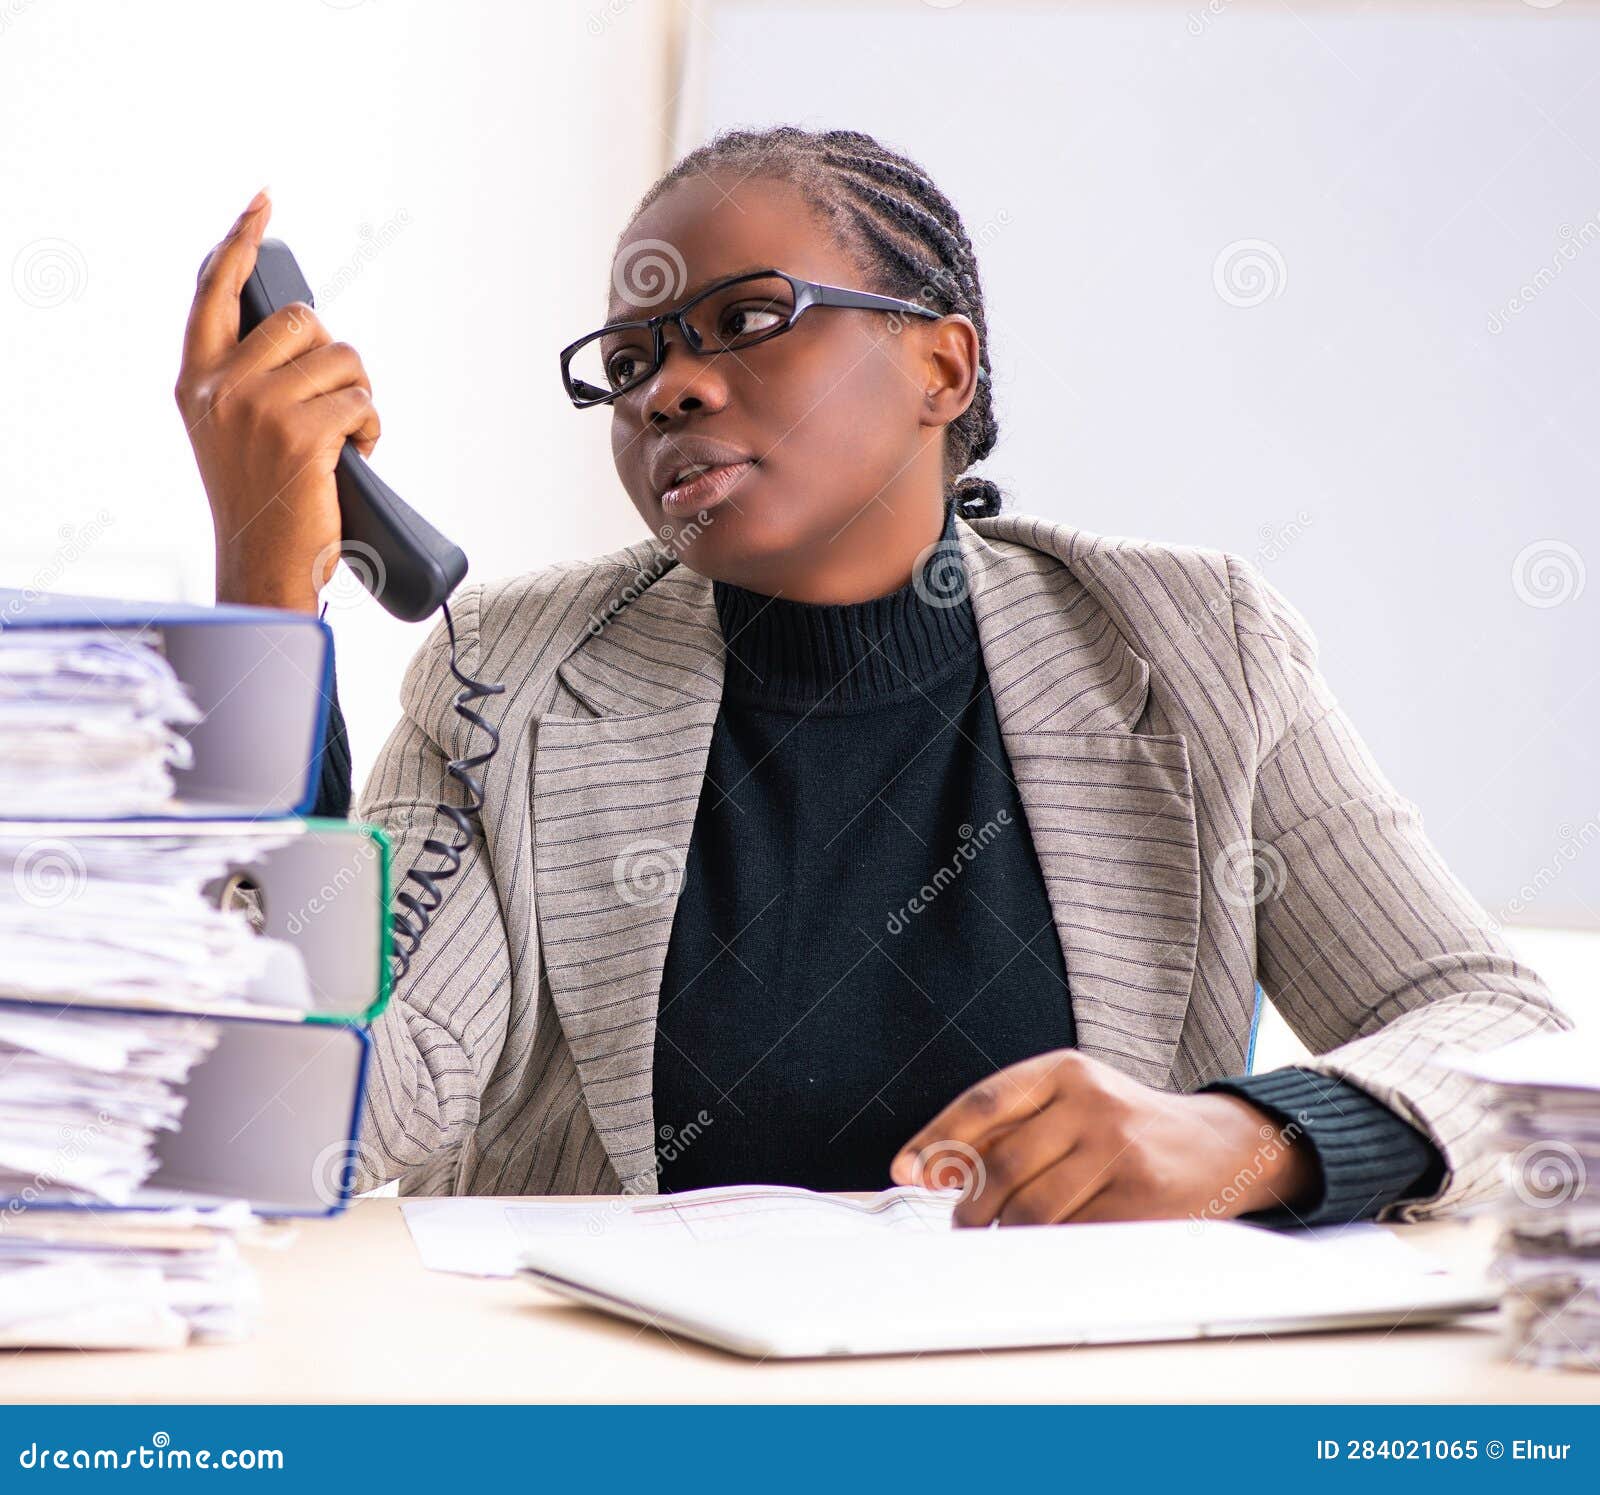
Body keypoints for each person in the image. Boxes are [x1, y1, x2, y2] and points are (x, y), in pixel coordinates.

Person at [175, 127, 1567, 1228]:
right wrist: (264, 610)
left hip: (1063, 1406)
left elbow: (1502, 1035)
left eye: (747, 319)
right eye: (633, 361)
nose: (668, 390)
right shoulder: (511, 673)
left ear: (941, 366)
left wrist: (1246, 1139)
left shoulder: (1193, 641)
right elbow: (299, 1119)